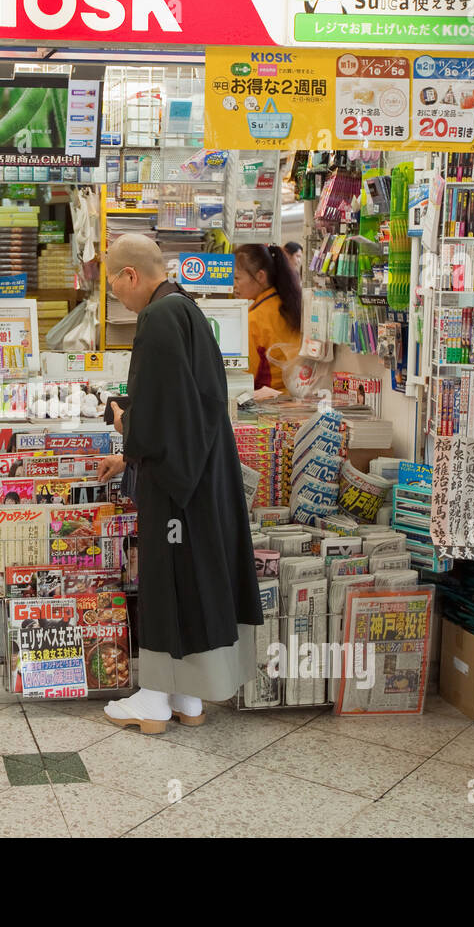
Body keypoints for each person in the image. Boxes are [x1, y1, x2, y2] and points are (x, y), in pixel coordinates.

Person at [96, 233, 263, 733]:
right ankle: (188, 696)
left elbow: (158, 415)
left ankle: (152, 700)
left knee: (166, 578)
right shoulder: (186, 309)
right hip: (203, 473)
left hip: (175, 484)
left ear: (131, 275)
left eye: (113, 286)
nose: (116, 298)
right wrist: (130, 450)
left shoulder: (158, 318)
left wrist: (126, 423)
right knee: (194, 578)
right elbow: (187, 403)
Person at [233, 243, 303, 395]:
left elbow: (246, 377)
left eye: (237, 278)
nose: (234, 285)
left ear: (260, 276)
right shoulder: (290, 306)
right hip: (295, 397)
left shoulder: (253, 320)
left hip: (268, 402)